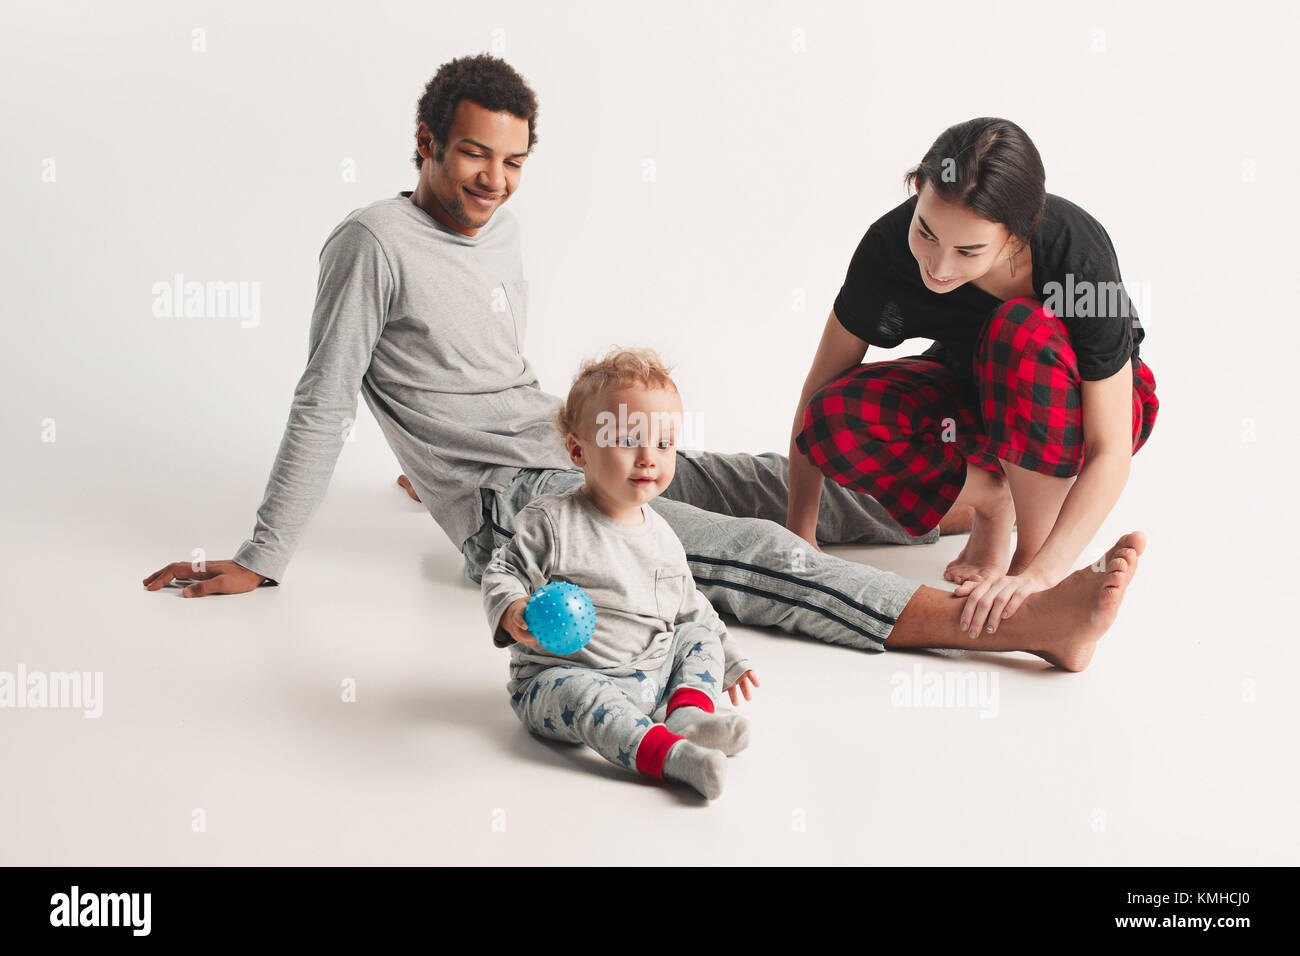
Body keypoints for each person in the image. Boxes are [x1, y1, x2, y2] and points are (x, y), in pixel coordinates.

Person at [141, 57, 1147, 672]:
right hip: (520, 488)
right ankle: (1024, 627)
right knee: (743, 554)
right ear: (425, 144)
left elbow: (478, 374)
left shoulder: (498, 232)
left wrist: (429, 450)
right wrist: (265, 554)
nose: (494, 179)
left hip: (558, 437)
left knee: (766, 475)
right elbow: (325, 397)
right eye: (473, 155)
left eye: (514, 160)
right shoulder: (369, 243)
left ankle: (968, 505)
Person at [789, 117, 1158, 641]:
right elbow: (816, 393)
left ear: (1018, 233)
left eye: (968, 252)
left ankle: (1030, 568)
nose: (937, 266)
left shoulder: (1076, 251)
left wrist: (1037, 573)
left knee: (1020, 329)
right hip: (977, 399)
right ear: (918, 189)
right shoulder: (886, 248)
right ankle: (992, 502)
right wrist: (800, 532)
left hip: (1079, 408)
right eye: (927, 232)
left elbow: (1110, 448)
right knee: (834, 419)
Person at [482, 348, 755, 799]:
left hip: (648, 674)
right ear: (578, 450)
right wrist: (512, 608)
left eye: (664, 444)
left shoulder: (664, 536)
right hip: (560, 678)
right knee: (582, 693)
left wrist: (730, 657)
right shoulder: (553, 520)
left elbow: (692, 608)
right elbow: (504, 569)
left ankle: (688, 713)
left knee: (695, 637)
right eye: (628, 440)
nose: (649, 458)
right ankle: (669, 756)